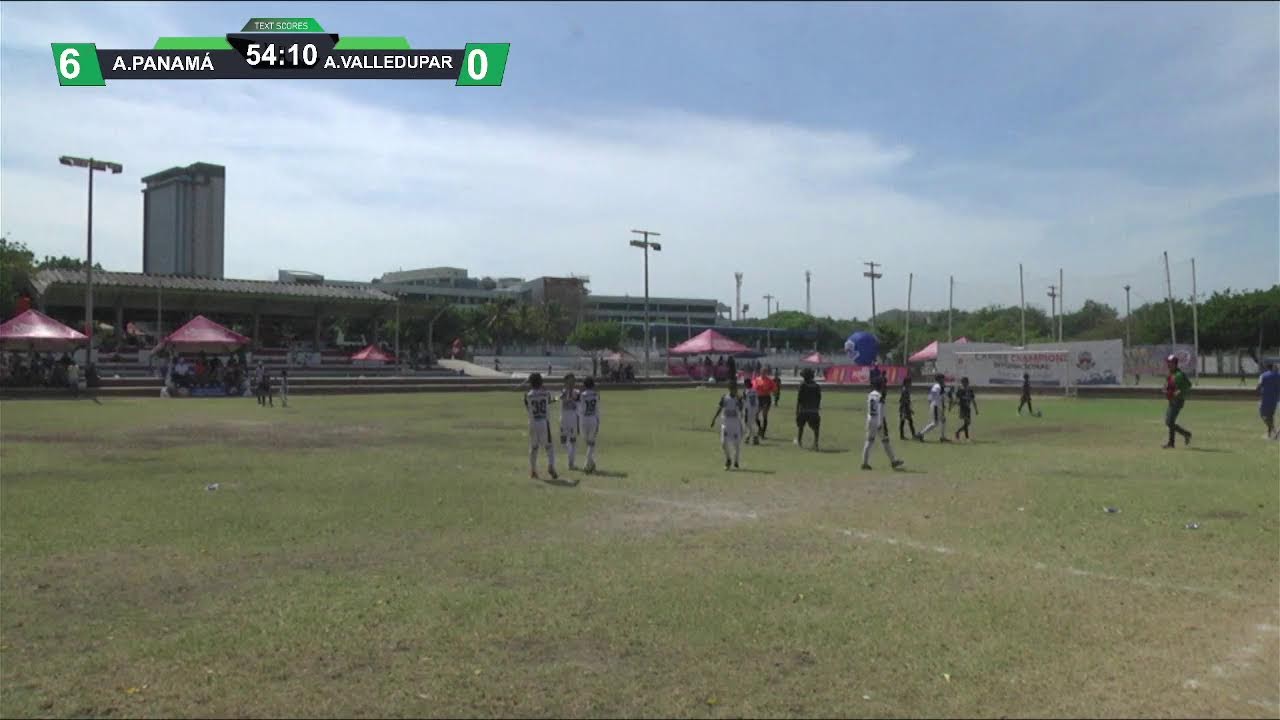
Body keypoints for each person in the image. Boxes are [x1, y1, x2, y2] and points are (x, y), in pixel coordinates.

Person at [862, 376, 905, 470]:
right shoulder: (880, 396)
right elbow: (880, 410)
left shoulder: (870, 395)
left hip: (870, 419)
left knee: (869, 441)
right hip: (878, 420)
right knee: (885, 441)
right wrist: (880, 423)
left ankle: (864, 463)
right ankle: (893, 461)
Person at [524, 372, 559, 480]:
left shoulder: (527, 395)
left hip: (533, 423)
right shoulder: (546, 393)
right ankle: (551, 466)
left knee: (534, 447)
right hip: (544, 423)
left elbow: (528, 407)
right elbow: (551, 400)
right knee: (549, 447)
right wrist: (558, 398)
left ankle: (533, 470)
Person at [709, 379, 744, 470]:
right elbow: (720, 408)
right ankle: (728, 459)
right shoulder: (725, 397)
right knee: (723, 442)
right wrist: (714, 419)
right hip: (726, 423)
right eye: (732, 389)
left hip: (735, 423)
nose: (733, 390)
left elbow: (741, 409)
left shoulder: (738, 398)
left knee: (736, 444)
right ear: (729, 389)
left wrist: (740, 400)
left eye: (735, 389)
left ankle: (736, 460)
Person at [1162, 355, 1192, 449]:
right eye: (1167, 362)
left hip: (1178, 401)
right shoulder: (1170, 374)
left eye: (1170, 363)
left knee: (1169, 422)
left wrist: (1180, 391)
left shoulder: (1180, 374)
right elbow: (1168, 385)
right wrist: (1165, 389)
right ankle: (1184, 435)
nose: (1168, 364)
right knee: (1169, 422)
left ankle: (1175, 441)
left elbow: (1188, 385)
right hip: (1172, 400)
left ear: (1175, 364)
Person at [916, 373, 950, 443]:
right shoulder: (937, 386)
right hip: (936, 406)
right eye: (943, 379)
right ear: (939, 379)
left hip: (938, 406)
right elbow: (933, 395)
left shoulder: (940, 386)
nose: (944, 380)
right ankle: (921, 434)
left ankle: (942, 437)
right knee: (935, 423)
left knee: (943, 420)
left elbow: (941, 396)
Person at [795, 367, 822, 450]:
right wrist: (817, 408)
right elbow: (819, 398)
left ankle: (799, 442)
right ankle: (816, 443)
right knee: (816, 428)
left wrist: (797, 410)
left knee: (801, 427)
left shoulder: (802, 385)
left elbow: (799, 399)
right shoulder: (817, 386)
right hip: (814, 410)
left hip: (803, 410)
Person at [559, 373, 581, 470]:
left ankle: (571, 463)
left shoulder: (577, 392)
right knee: (563, 441)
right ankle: (570, 457)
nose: (572, 382)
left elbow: (577, 401)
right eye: (570, 380)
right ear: (566, 382)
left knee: (573, 440)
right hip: (563, 416)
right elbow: (561, 398)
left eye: (573, 380)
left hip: (573, 416)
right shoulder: (563, 391)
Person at [579, 376, 601, 472]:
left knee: (588, 442)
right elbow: (597, 409)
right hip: (593, 419)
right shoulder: (596, 395)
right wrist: (598, 421)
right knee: (591, 443)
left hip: (584, 420)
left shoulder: (582, 395)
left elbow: (579, 407)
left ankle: (587, 464)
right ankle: (590, 462)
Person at [1256, 362, 1280, 440]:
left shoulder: (1263, 375)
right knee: (1270, 416)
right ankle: (1270, 434)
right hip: (1275, 399)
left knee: (1263, 415)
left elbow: (1258, 387)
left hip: (1266, 399)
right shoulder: (1278, 375)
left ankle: (1274, 431)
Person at [953, 377, 979, 441]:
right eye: (963, 382)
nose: (964, 384)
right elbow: (956, 399)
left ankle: (958, 432)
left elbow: (973, 400)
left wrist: (976, 409)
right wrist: (954, 404)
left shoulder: (970, 390)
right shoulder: (960, 390)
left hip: (968, 408)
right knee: (966, 422)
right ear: (962, 383)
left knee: (968, 423)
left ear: (968, 382)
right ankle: (967, 437)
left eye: (966, 382)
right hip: (962, 408)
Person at [754, 368, 775, 439]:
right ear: (760, 372)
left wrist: (769, 390)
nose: (763, 373)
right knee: (755, 415)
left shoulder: (769, 380)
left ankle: (763, 433)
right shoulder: (757, 379)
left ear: (766, 373)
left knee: (764, 415)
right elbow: (753, 388)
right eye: (762, 372)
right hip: (758, 398)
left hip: (766, 398)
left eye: (765, 372)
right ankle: (760, 428)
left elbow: (774, 388)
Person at [742, 375, 761, 446]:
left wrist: (745, 411)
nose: (745, 385)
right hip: (755, 408)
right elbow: (757, 400)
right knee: (751, 423)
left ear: (747, 383)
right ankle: (748, 437)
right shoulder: (754, 390)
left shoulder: (746, 391)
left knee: (748, 423)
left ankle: (755, 437)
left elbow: (745, 402)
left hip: (749, 409)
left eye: (745, 383)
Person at [898, 376, 917, 440]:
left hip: (905, 408)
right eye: (909, 382)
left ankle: (903, 435)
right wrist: (907, 409)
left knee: (906, 422)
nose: (911, 384)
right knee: (905, 422)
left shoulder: (906, 389)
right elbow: (903, 401)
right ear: (906, 383)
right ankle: (912, 435)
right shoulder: (905, 390)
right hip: (904, 408)